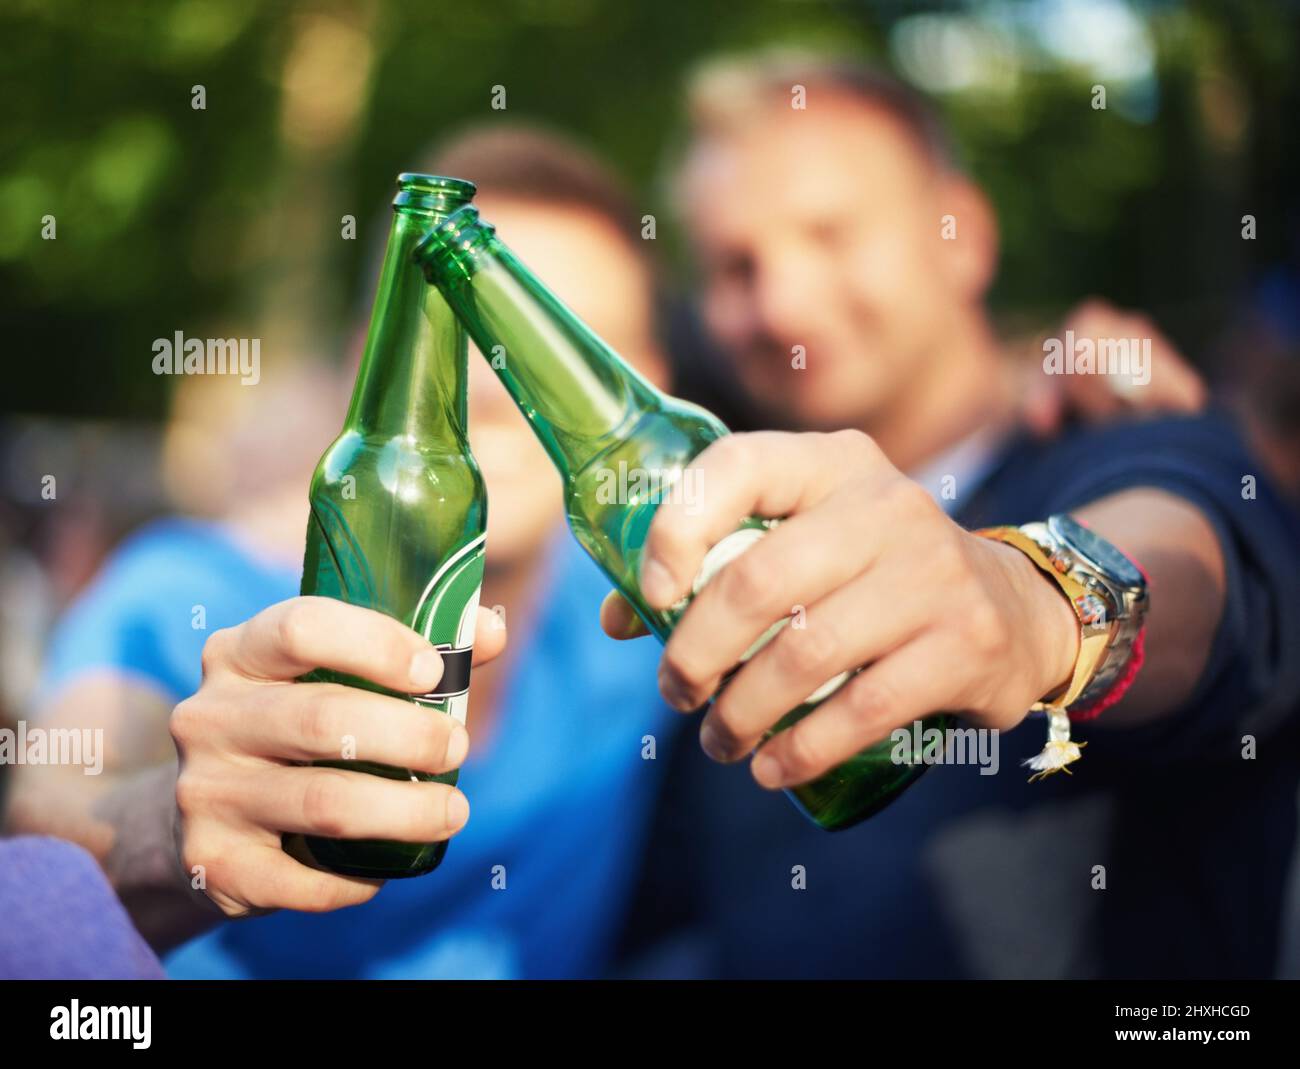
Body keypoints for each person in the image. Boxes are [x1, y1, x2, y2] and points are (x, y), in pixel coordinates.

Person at [605, 52, 1300, 979]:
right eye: (735, 267)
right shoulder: (720, 554)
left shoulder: (1119, 434)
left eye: (830, 233)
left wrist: (1031, 598)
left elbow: (1209, 571)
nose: (781, 301)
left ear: (960, 238)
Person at [4, 125, 682, 978]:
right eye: (459, 320)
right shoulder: (181, 587)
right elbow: (50, 808)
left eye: (557, 343)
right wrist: (167, 829)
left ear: (649, 382)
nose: (502, 384)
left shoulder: (636, 620)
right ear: (375, 346)